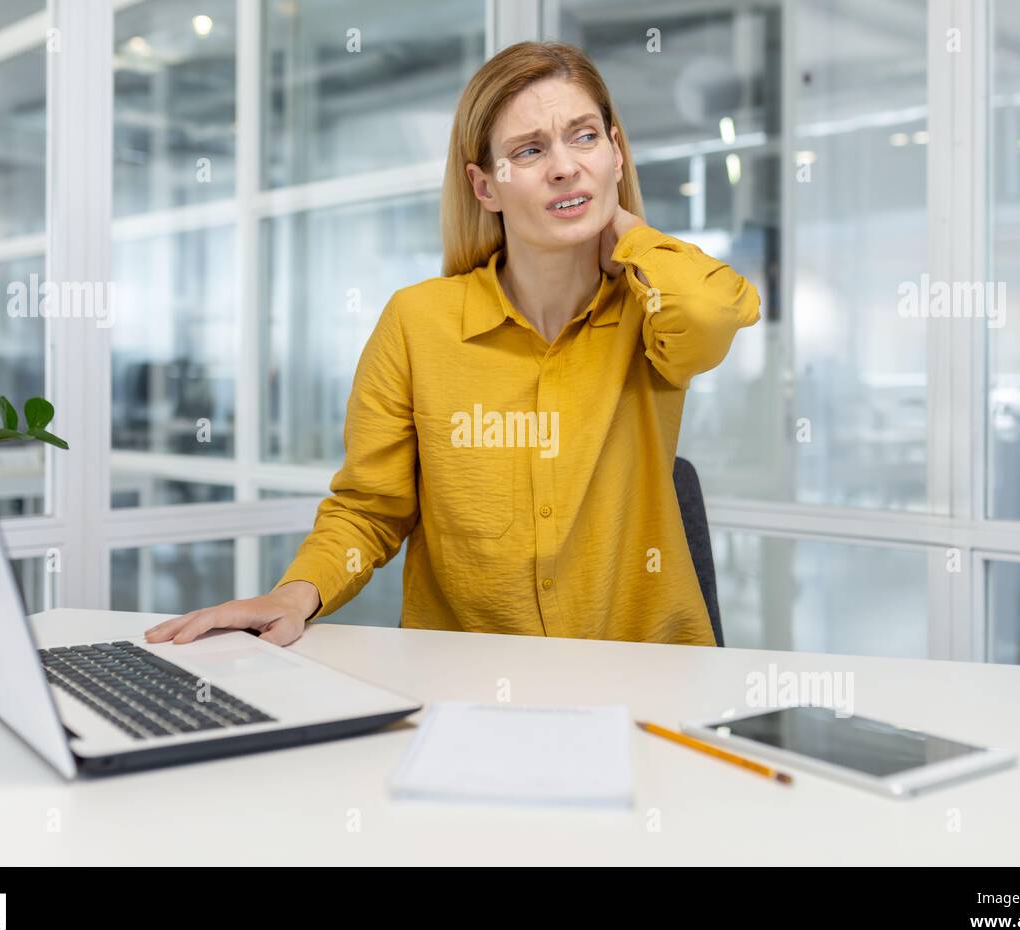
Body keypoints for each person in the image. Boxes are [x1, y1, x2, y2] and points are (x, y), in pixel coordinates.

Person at [146, 41, 760, 650]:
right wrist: (294, 593)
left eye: (586, 137)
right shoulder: (418, 323)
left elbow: (712, 308)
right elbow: (370, 509)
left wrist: (629, 228)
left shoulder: (652, 310)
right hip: (467, 682)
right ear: (485, 186)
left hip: (647, 681)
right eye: (529, 150)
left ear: (616, 153)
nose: (565, 166)